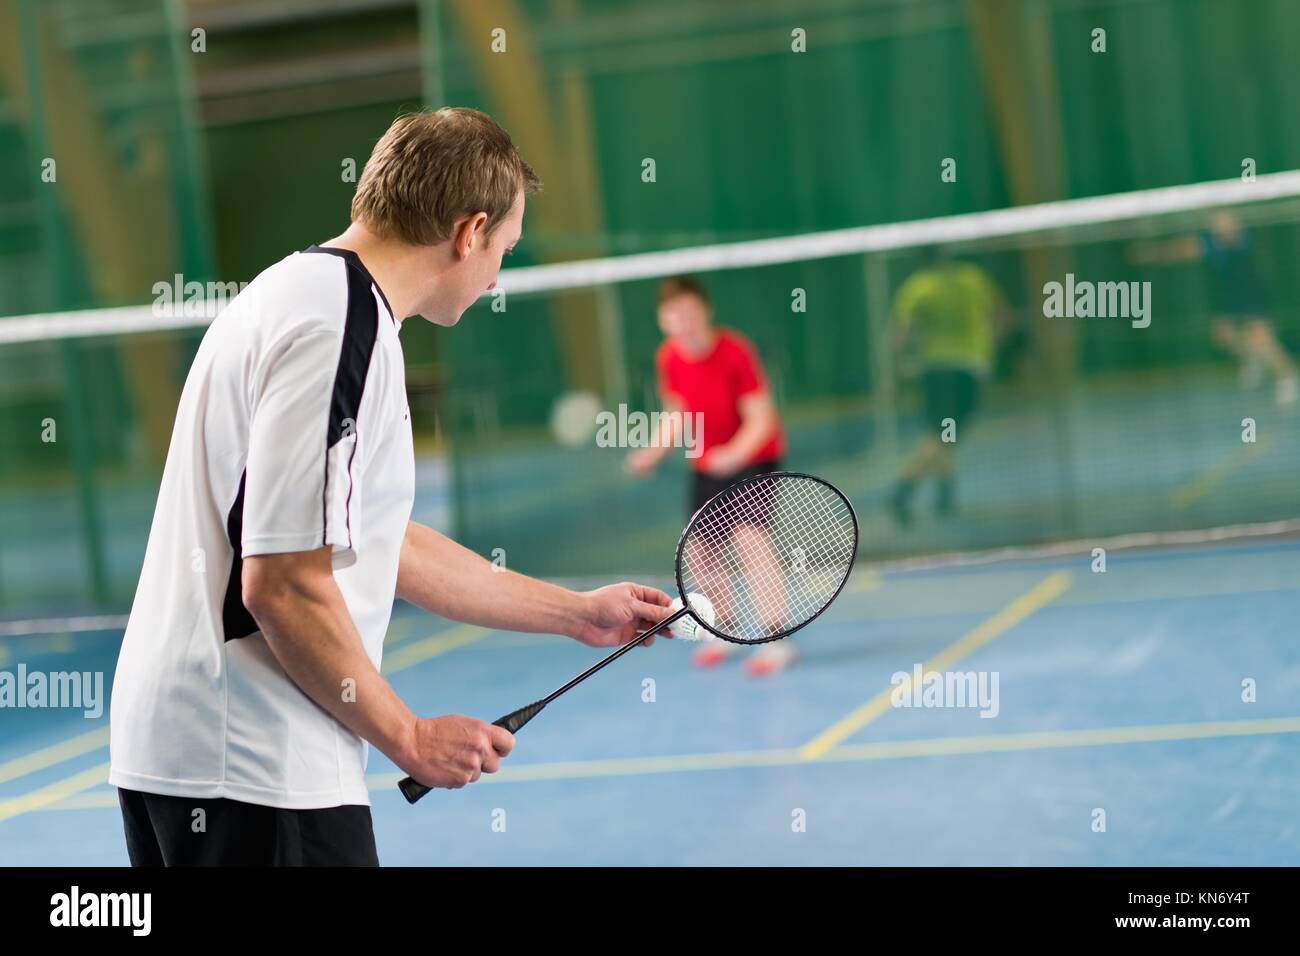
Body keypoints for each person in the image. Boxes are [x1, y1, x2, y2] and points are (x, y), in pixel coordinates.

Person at [108, 108, 674, 866]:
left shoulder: (302, 296)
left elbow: (374, 540)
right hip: (252, 765)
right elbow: (280, 584)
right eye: (504, 248)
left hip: (190, 754)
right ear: (468, 232)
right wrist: (408, 736)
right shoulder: (337, 326)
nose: (499, 273)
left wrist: (577, 614)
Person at [625, 276, 792, 676]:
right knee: (702, 550)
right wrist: (653, 451)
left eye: (689, 311)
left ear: (705, 311)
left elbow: (761, 418)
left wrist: (733, 454)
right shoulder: (669, 357)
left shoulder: (735, 350)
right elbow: (678, 411)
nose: (682, 320)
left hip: (753, 458)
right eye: (672, 313)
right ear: (662, 319)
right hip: (706, 463)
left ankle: (775, 638)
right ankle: (726, 630)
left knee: (750, 540)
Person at [1130, 209, 1298, 405]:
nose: (1221, 225)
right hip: (1232, 294)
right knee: (1222, 334)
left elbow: (1223, 239)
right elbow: (1183, 250)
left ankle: (1288, 377)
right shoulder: (1210, 242)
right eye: (1216, 222)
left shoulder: (1241, 239)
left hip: (1253, 291)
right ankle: (1253, 358)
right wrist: (1151, 252)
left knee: (1262, 339)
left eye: (1225, 221)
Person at [888, 247, 1005, 526]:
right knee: (944, 434)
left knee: (942, 433)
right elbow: (1002, 316)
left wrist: (896, 366)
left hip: (933, 371)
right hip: (967, 368)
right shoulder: (973, 278)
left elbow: (901, 331)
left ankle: (945, 492)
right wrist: (988, 348)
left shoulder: (917, 287)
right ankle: (905, 488)